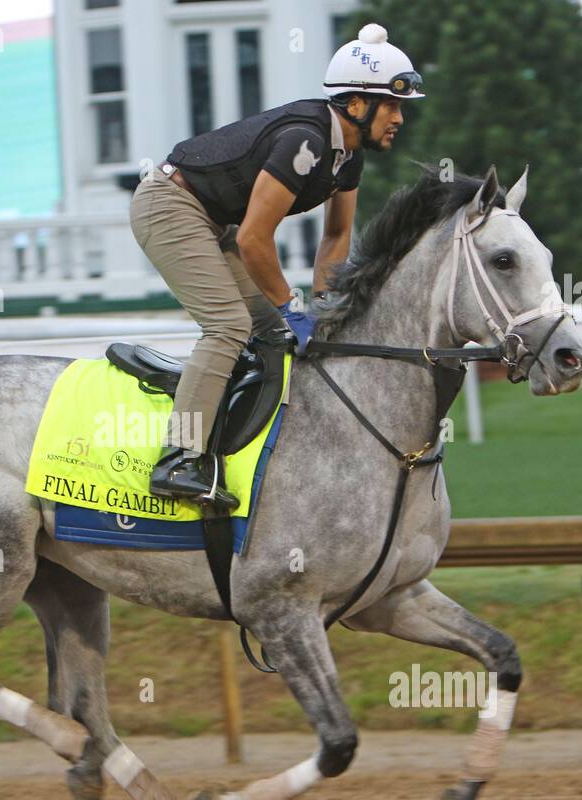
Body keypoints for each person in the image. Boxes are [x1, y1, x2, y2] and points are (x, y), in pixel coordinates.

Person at [130, 23, 423, 508]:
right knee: (227, 328)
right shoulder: (303, 141)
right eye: (391, 105)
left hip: (213, 221)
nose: (399, 118)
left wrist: (326, 309)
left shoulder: (347, 157)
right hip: (169, 206)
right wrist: (291, 304)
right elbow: (254, 239)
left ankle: (234, 440)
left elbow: (335, 237)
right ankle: (178, 458)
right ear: (356, 105)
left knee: (271, 334)